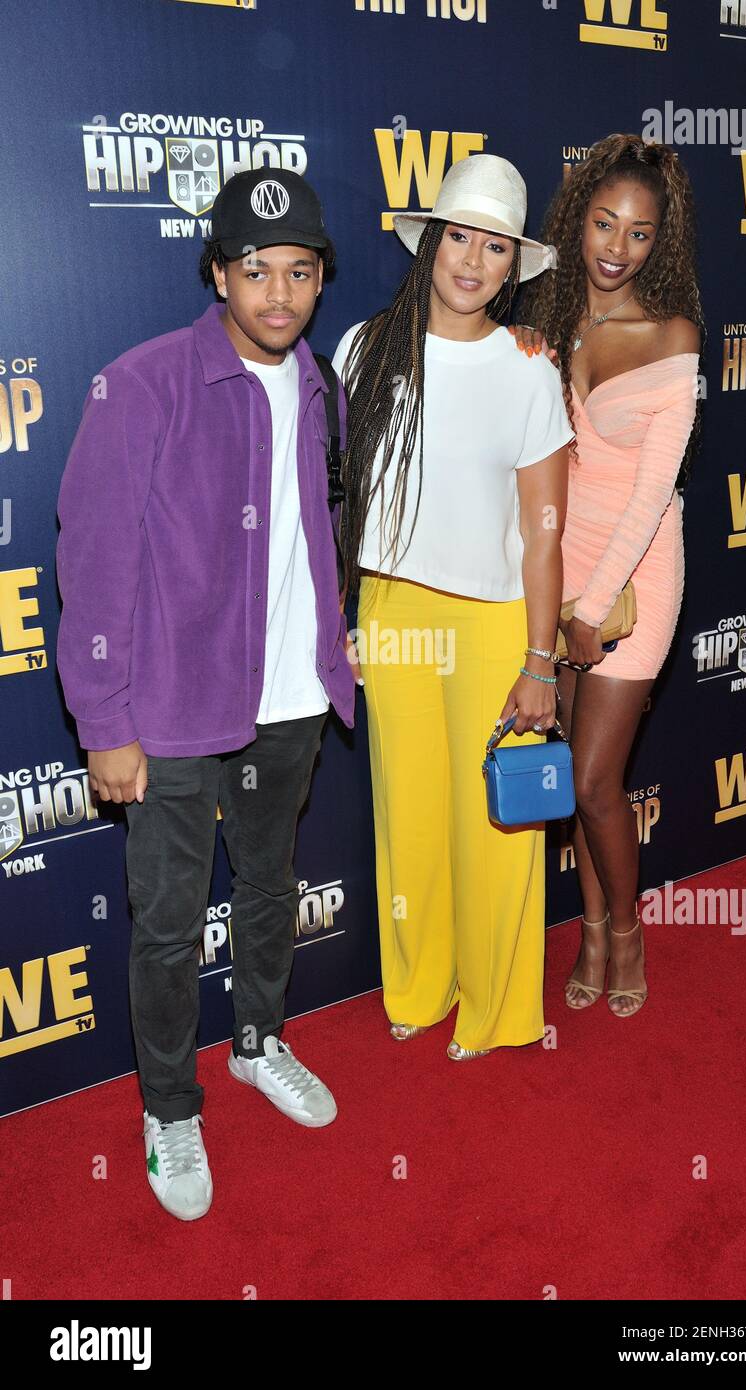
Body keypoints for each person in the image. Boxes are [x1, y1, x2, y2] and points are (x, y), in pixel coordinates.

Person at [55, 168, 356, 1221]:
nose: (279, 293)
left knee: (269, 888)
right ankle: (169, 1106)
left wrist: (328, 657)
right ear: (218, 273)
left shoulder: (321, 385)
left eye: (301, 272)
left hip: (288, 698)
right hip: (171, 706)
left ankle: (260, 1040)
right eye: (257, 270)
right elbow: (91, 563)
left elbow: (318, 537)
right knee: (170, 920)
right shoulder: (140, 384)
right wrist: (106, 721)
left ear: (320, 279)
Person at [333, 154, 574, 1060]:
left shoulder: (527, 372)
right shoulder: (364, 348)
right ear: (429, 242)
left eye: (496, 249)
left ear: (515, 268)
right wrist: (347, 619)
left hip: (489, 622)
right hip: (392, 613)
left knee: (497, 828)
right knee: (411, 813)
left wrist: (539, 660)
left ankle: (502, 1009)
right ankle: (419, 985)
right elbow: (339, 499)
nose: (473, 262)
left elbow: (543, 532)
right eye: (460, 237)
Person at [512, 134, 703, 1017]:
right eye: (602, 223)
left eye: (637, 232)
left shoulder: (671, 336)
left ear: (658, 241)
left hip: (635, 579)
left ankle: (624, 931)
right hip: (561, 565)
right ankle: (588, 928)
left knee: (590, 780)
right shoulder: (548, 322)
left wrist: (588, 614)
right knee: (586, 787)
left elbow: (650, 495)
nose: (615, 247)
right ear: (577, 220)